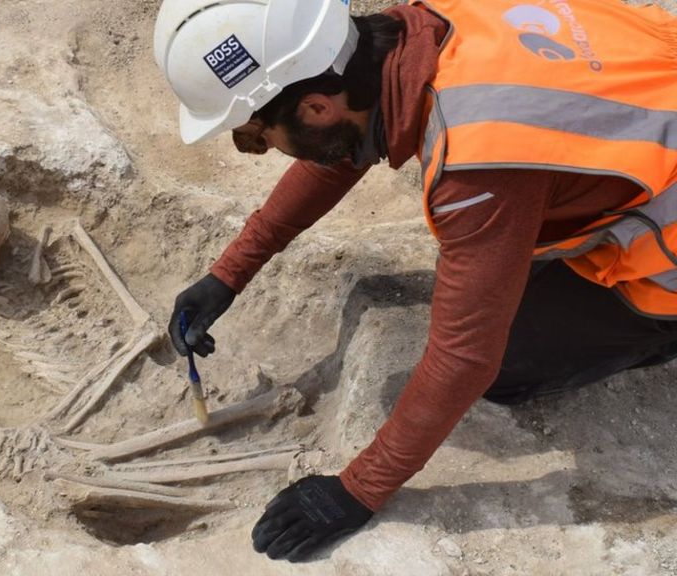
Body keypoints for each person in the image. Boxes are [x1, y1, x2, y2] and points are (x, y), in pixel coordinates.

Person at [153, 0, 677, 563]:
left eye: (256, 135)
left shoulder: (479, 159)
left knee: (506, 358)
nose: (259, 150)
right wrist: (229, 273)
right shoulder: (423, 29)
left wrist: (358, 489)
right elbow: (343, 146)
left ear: (316, 106)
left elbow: (465, 358)